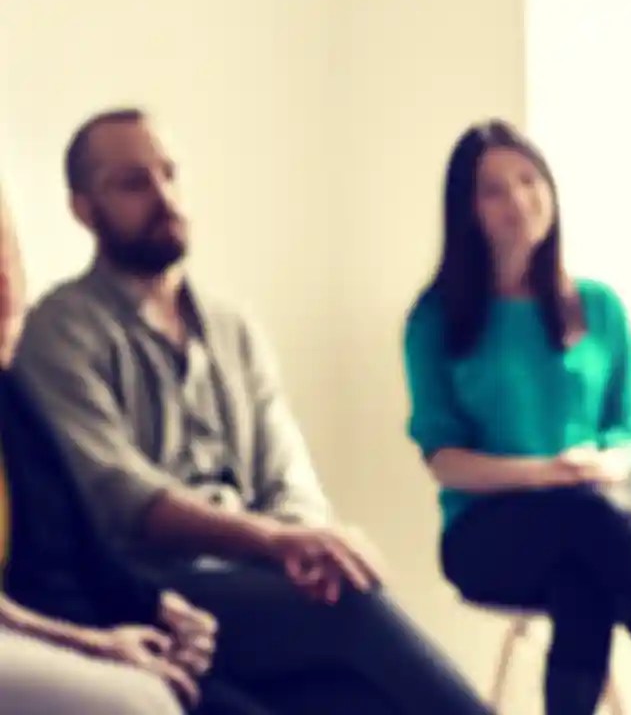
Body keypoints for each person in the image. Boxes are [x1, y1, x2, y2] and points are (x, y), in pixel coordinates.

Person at [13, 109, 490, 715]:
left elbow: (287, 473)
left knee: (351, 691)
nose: (163, 196)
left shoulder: (234, 329)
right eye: (134, 183)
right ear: (83, 209)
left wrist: (305, 547)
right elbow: (121, 498)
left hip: (260, 584)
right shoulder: (60, 330)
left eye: (169, 173)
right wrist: (277, 542)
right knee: (355, 607)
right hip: (157, 589)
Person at [402, 119, 631, 715]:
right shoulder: (436, 318)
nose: (518, 199)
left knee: (583, 580)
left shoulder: (598, 305)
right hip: (484, 535)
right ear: (467, 209)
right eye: (494, 189)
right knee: (590, 525)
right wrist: (545, 473)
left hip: (591, 519)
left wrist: (606, 460)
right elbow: (445, 460)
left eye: (527, 179)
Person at [0, 180, 221, 715]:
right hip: (44, 637)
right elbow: (123, 497)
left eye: (7, 251)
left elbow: (81, 540)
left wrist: (161, 609)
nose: (5, 284)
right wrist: (90, 646)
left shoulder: (12, 395)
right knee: (136, 704)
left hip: (66, 626)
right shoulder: (66, 333)